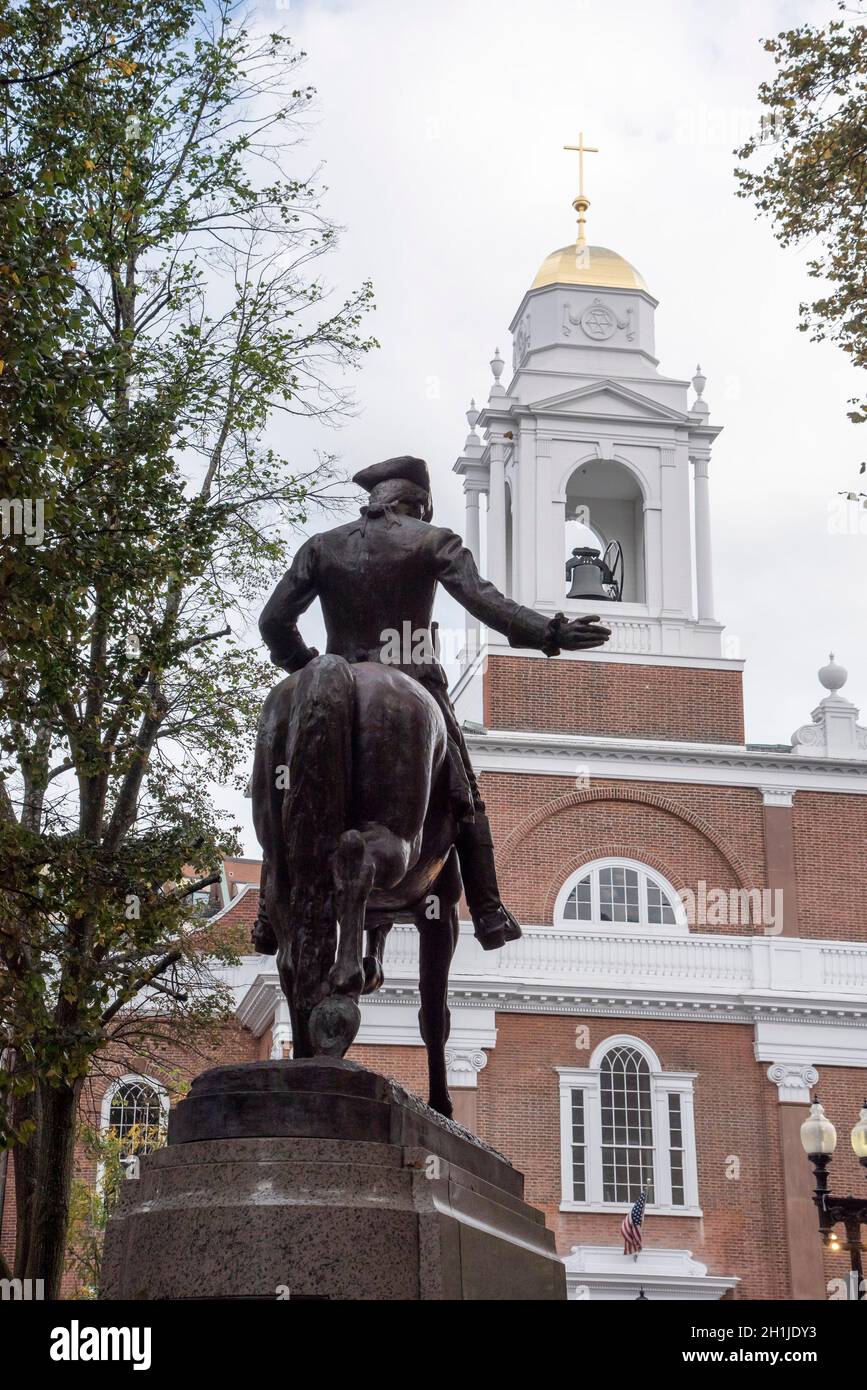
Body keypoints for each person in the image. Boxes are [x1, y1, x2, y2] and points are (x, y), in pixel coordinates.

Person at [254, 455, 610, 952]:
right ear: (417, 503)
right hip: (412, 677)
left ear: (377, 499)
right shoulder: (430, 539)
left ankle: (268, 913)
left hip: (325, 676)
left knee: (287, 781)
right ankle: (488, 912)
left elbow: (273, 622)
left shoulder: (322, 546)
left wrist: (309, 670)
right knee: (466, 797)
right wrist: (549, 632)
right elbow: (483, 600)